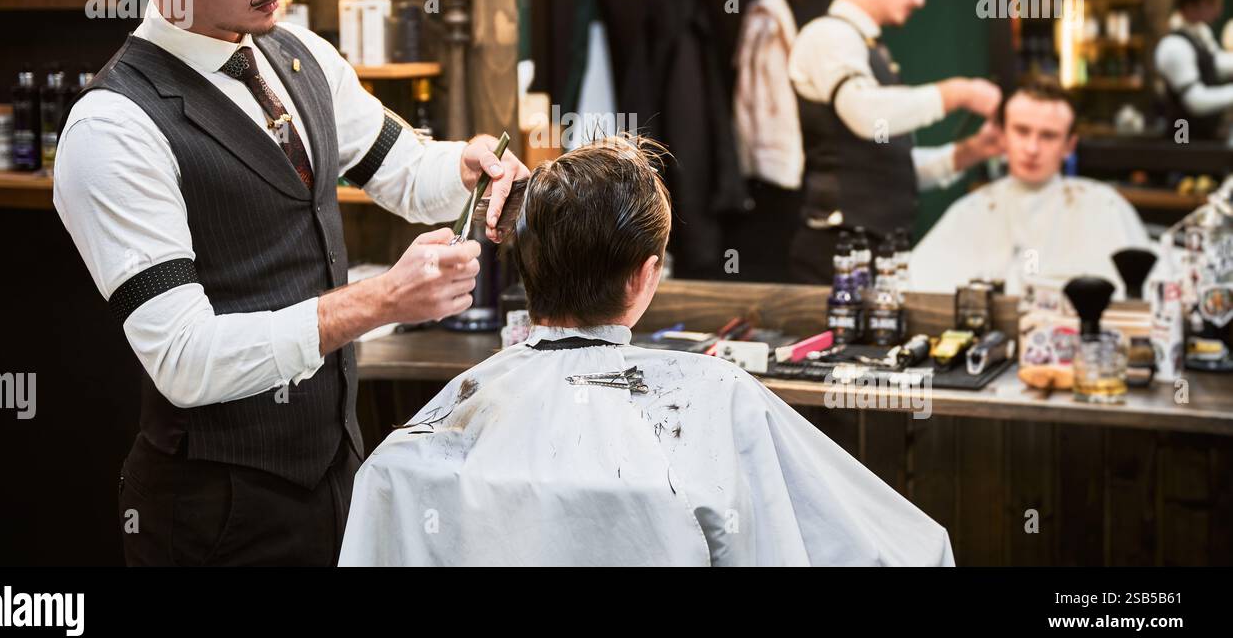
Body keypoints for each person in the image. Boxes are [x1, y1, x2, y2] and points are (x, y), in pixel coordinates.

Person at [53, 0, 528, 566]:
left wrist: (465, 162)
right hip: (215, 514)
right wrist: (378, 302)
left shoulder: (295, 53)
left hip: (335, 475)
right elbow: (185, 357)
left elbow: (402, 169)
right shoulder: (113, 130)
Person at [339, 136, 955, 566]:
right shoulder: (717, 400)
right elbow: (899, 549)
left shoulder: (429, 437)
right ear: (645, 276)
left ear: (528, 268)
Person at [788, 0, 1003, 284]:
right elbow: (864, 115)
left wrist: (974, 150)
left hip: (873, 256)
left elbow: (889, 168)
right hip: (836, 258)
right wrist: (958, 93)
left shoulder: (871, 48)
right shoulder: (829, 36)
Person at [909, 80, 1151, 297]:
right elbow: (918, 287)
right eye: (1022, 131)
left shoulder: (1104, 207)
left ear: (1069, 145)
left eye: (1048, 136)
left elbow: (1143, 297)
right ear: (1002, 135)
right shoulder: (972, 210)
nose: (1032, 148)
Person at [1156, 0, 1233, 141]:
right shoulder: (1174, 46)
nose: (1218, 11)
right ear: (1191, 6)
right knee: (1185, 164)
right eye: (1211, 4)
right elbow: (1195, 101)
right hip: (1183, 136)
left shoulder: (1199, 32)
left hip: (1205, 135)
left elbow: (1216, 63)